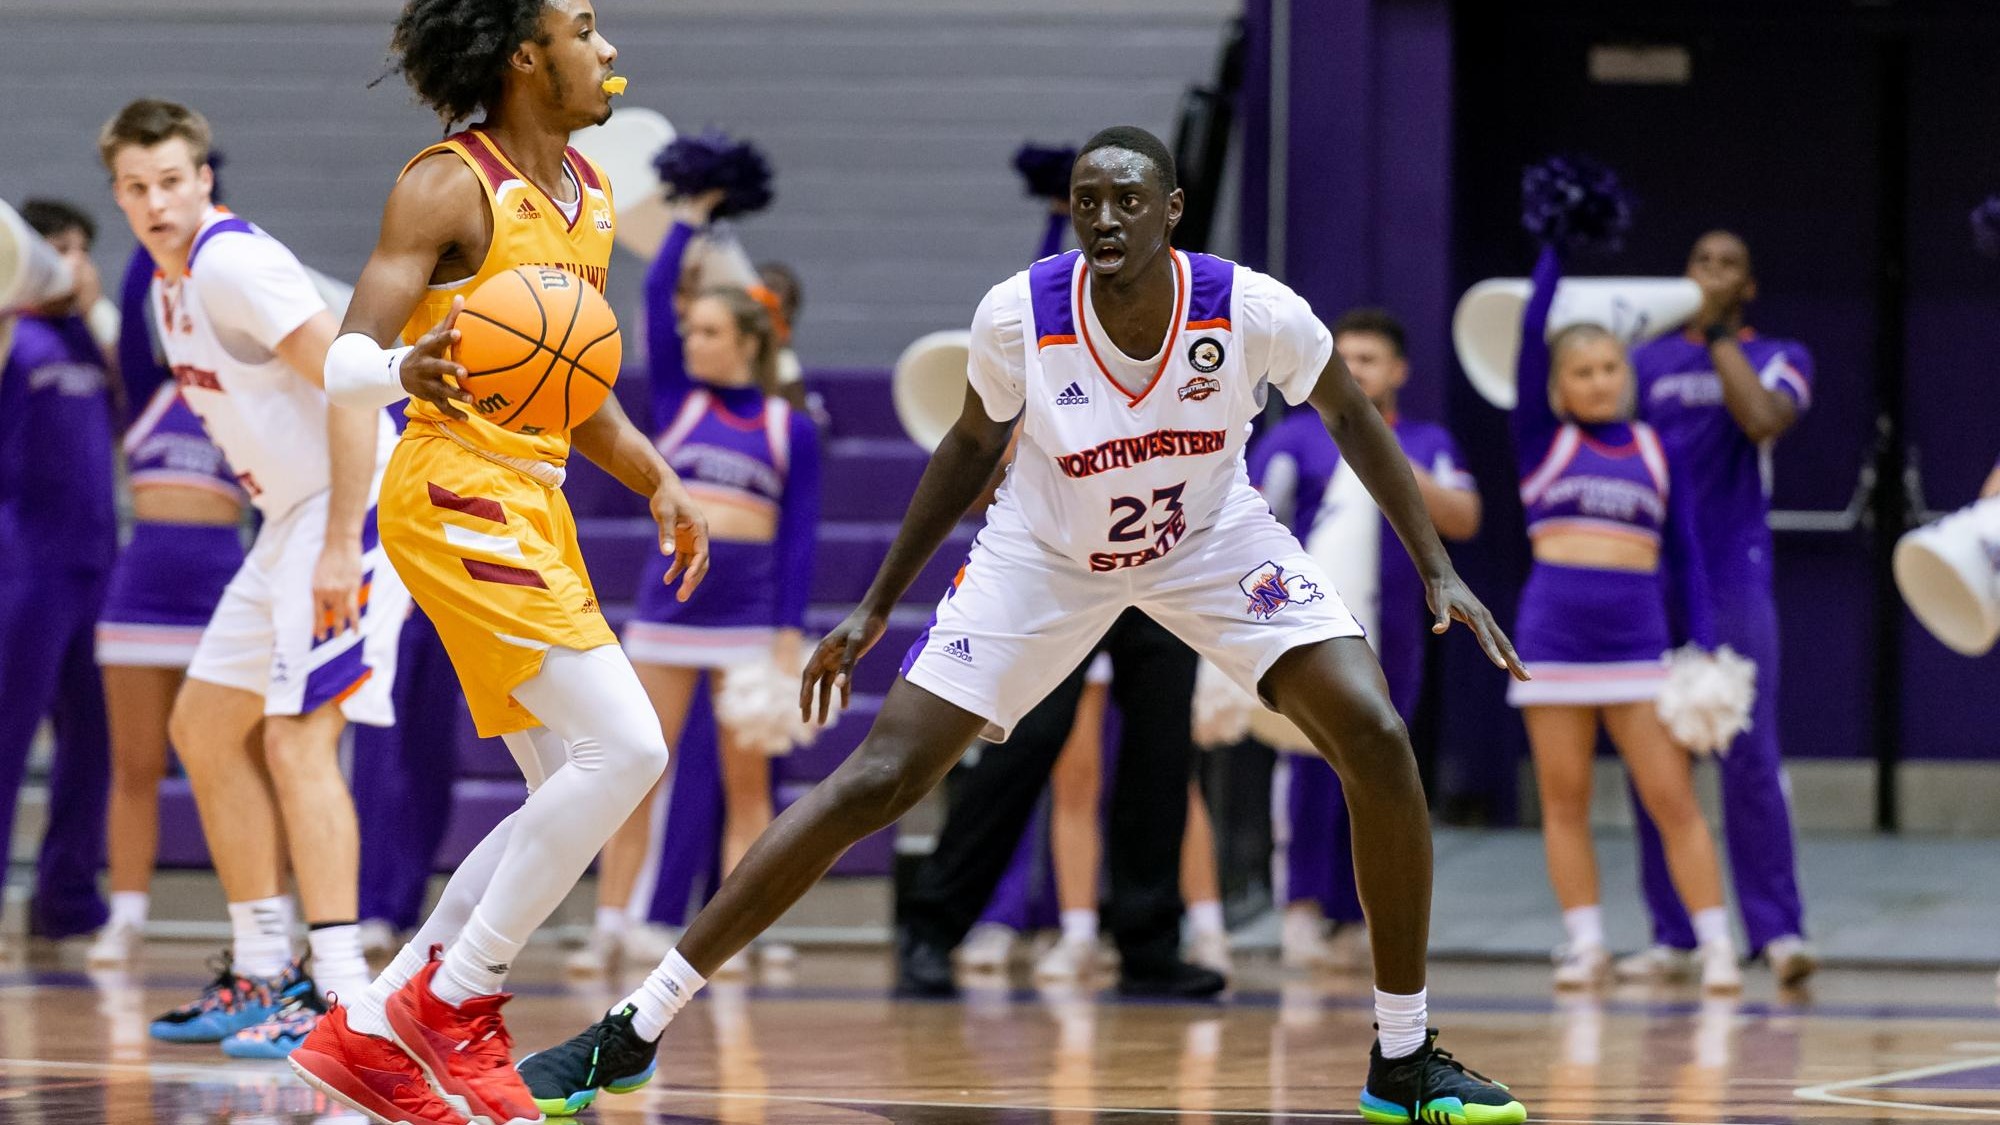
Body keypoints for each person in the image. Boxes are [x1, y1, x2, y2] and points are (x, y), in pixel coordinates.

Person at [520, 125, 1531, 1125]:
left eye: (1127, 199)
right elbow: (968, 446)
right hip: (1043, 558)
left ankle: (1401, 1054)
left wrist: (1434, 566)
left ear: (1170, 213)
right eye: (1088, 198)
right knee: (877, 779)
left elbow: (1352, 415)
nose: (1103, 217)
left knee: (1375, 734)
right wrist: (875, 604)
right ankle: (635, 1024)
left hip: (1210, 539)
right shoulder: (1018, 315)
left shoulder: (1249, 307)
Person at [288, 3, 708, 1123]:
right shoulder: (445, 183)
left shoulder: (593, 192)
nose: (608, 47)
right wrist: (400, 367)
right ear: (526, 55)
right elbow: (344, 361)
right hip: (451, 486)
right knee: (625, 749)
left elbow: (570, 379)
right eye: (584, 26)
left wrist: (654, 474)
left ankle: (372, 1029)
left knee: (559, 788)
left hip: (534, 496)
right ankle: (456, 996)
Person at [100, 99, 410, 1056]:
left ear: (204, 180)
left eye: (170, 182)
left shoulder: (233, 263)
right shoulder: (165, 288)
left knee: (296, 739)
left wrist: (337, 542)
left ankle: (343, 991)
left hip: (354, 507)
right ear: (119, 195)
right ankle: (263, 962)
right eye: (135, 188)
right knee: (202, 726)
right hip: (290, 518)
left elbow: (355, 382)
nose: (155, 202)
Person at [572, 189, 819, 979]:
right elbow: (652, 293)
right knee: (636, 768)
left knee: (749, 788)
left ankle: (731, 931)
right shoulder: (676, 404)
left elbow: (801, 541)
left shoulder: (791, 428)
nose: (691, 339)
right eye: (690, 330)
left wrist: (787, 635)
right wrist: (687, 216)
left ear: (747, 340)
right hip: (667, 613)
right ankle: (613, 923)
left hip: (747, 622)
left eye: (708, 331)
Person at [1507, 243, 1739, 993]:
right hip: (1554, 645)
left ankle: (1717, 946)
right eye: (1582, 372)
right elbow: (1527, 332)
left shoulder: (1656, 447)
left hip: (1638, 649)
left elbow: (1689, 560)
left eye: (1610, 368)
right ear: (1557, 386)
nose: (1599, 381)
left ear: (1628, 375)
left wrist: (1700, 646)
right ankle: (1588, 944)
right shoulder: (1544, 441)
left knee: (1672, 799)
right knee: (1565, 799)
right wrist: (1554, 247)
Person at [1246, 307, 1480, 972]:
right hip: (1317, 628)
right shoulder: (1295, 437)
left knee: (1381, 766)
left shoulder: (1429, 441)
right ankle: (1300, 908)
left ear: (1398, 370)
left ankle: (1361, 917)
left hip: (1402, 628)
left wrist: (1383, 457)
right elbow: (1251, 512)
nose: (1353, 371)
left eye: (1368, 359)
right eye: (1341, 358)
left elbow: (1464, 516)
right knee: (1307, 760)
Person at [1622, 231, 1817, 986]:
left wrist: (1718, 336)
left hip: (1735, 571)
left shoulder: (1780, 354)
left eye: (1729, 264)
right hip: (1655, 574)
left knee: (1749, 749)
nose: (1711, 274)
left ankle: (1780, 933)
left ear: (1749, 285)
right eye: (1699, 262)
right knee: (1655, 753)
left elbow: (1763, 419)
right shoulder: (1644, 361)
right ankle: (1674, 934)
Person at [88, 243, 251, 967]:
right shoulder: (148, 384)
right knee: (134, 762)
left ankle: (260, 927)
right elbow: (130, 311)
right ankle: (126, 916)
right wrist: (161, 234)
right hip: (141, 590)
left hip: (225, 589)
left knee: (245, 764)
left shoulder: (247, 390)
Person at [0, 199, 117, 954]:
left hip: (96, 561)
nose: (72, 261)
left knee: (94, 742)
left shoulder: (84, 337)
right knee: (9, 734)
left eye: (82, 247)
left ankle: (68, 897)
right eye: (60, 247)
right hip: (25, 563)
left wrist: (95, 305)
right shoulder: (16, 333)